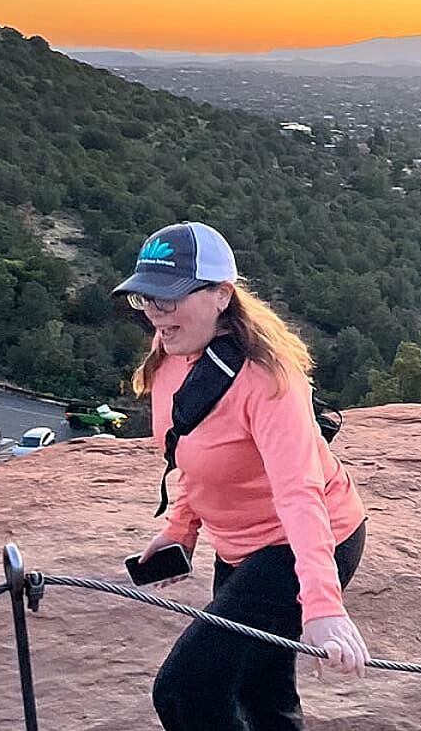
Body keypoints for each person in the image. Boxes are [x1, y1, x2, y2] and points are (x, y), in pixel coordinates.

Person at [113, 221, 369, 731]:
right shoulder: (171, 360)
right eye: (145, 297)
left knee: (187, 690)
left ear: (221, 295)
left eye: (169, 296)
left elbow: (300, 492)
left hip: (303, 544)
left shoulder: (266, 380)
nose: (155, 312)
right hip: (239, 548)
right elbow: (184, 452)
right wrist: (181, 528)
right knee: (261, 691)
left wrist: (322, 606)